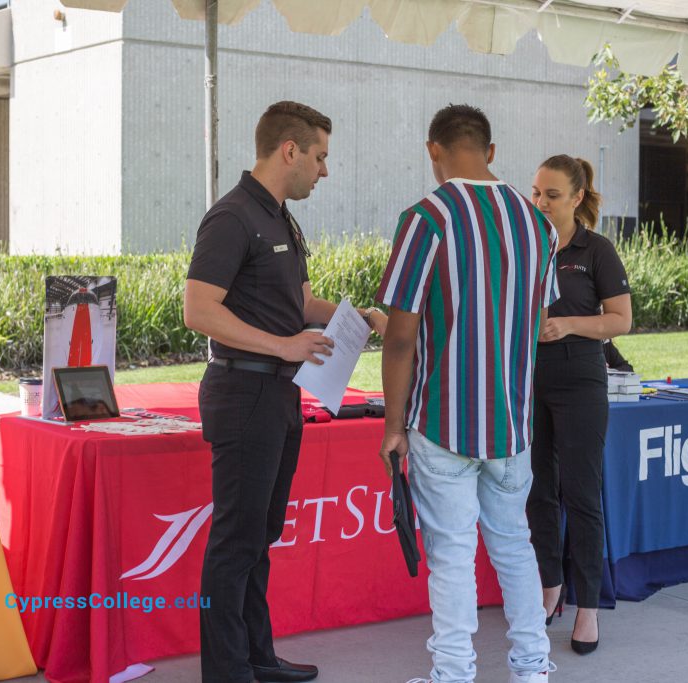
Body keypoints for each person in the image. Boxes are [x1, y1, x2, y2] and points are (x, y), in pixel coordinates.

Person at [183, 101, 386, 683]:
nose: (324, 171)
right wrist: (283, 347)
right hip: (243, 392)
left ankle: (256, 657)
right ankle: (226, 672)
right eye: (320, 157)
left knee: (259, 536)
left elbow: (297, 304)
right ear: (289, 150)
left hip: (278, 395)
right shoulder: (232, 216)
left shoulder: (281, 218)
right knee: (236, 539)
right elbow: (199, 310)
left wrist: (361, 315)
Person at [377, 104, 559, 683]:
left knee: (452, 557)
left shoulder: (426, 218)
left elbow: (400, 337)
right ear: (492, 151)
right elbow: (537, 316)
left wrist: (392, 424)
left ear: (434, 150)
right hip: (512, 424)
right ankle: (533, 667)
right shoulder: (539, 224)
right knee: (515, 548)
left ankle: (453, 672)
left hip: (443, 419)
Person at [525, 155, 632, 655]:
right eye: (536, 192)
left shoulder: (597, 250)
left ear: (576, 198)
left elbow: (620, 321)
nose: (540, 202)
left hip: (580, 376)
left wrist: (568, 324)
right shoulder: (525, 245)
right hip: (527, 377)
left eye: (550, 194)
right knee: (537, 490)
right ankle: (551, 586)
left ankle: (587, 604)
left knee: (581, 493)